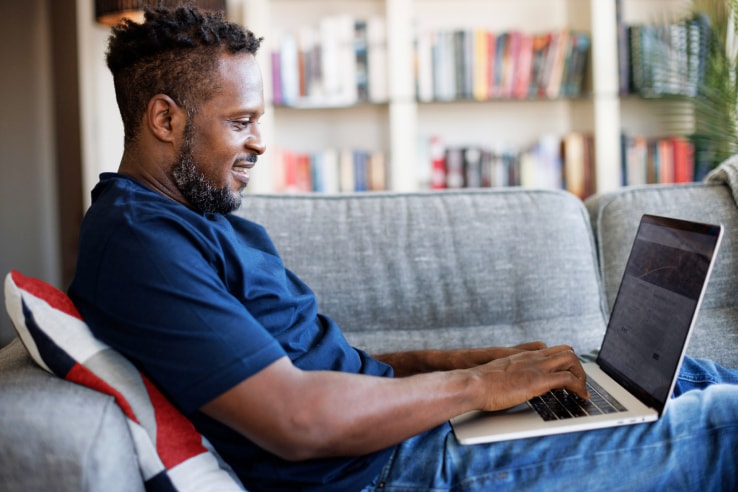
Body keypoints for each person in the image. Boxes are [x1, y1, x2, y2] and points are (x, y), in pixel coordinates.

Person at [68, 5, 738, 491]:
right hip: (391, 472)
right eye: (241, 122)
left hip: (403, 437)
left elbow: (315, 370)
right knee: (725, 421)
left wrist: (476, 361)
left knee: (696, 378)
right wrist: (480, 385)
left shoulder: (199, 215)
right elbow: (295, 419)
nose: (260, 142)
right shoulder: (137, 244)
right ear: (164, 118)